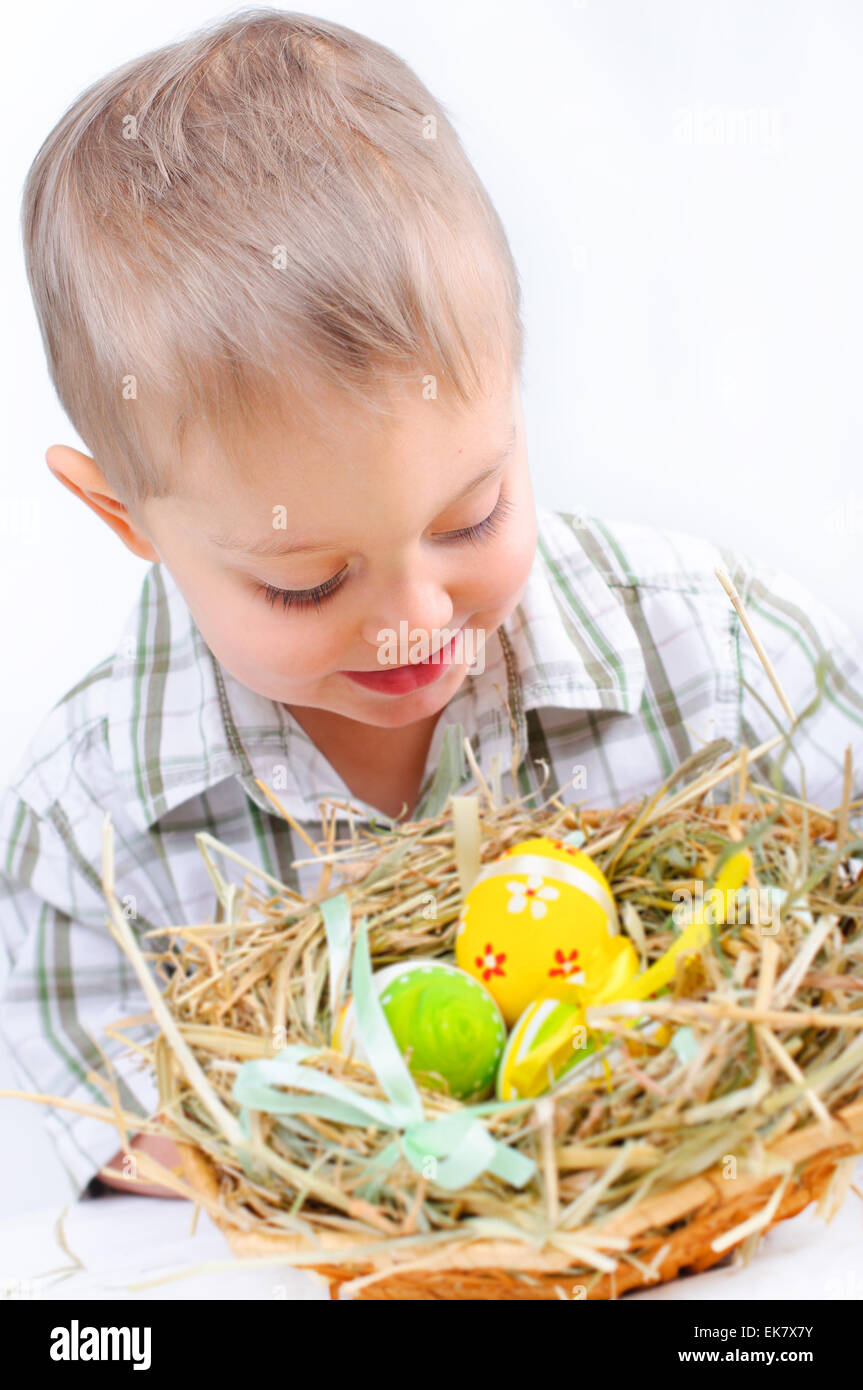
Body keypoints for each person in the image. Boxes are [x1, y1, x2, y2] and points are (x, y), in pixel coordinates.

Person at [2, 9, 862, 1203]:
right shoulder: (91, 820)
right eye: (304, 580)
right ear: (125, 521)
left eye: (469, 517)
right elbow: (94, 1104)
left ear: (513, 389)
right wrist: (399, 1173)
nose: (414, 614)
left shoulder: (711, 654)